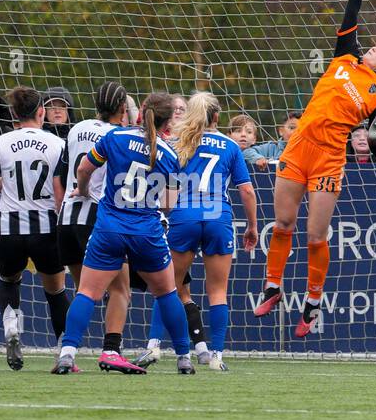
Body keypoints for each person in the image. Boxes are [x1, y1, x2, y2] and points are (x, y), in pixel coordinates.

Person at [254, 0, 376, 338]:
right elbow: (350, 13)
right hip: (297, 148)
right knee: (283, 224)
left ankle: (311, 302)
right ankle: (273, 286)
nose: (375, 47)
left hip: (328, 159)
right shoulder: (345, 56)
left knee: (314, 235)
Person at [53, 93, 196, 375]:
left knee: (87, 292)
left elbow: (84, 168)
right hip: (147, 232)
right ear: (168, 123)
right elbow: (169, 203)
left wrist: (82, 190)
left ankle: (67, 354)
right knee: (167, 292)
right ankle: (184, 358)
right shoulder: (169, 155)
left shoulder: (115, 137)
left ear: (141, 112)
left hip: (109, 227)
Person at [136, 92, 258, 371]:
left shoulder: (178, 142)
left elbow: (163, 189)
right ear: (217, 117)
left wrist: (171, 212)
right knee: (218, 291)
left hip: (184, 216)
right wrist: (252, 226)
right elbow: (247, 191)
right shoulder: (229, 145)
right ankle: (216, 357)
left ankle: (153, 347)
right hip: (218, 217)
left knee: (167, 287)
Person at [0, 87, 70, 371]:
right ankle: (63, 348)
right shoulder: (57, 143)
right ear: (41, 112)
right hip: (45, 226)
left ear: (14, 114)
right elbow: (59, 194)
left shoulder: (1, 142)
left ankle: (11, 327)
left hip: (9, 227)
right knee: (55, 291)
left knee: (9, 280)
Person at [55, 81, 138, 370]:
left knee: (84, 293)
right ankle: (111, 350)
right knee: (120, 290)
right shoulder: (118, 136)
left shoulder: (76, 129)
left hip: (67, 219)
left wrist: (62, 206)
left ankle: (67, 353)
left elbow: (60, 175)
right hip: (98, 218)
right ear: (121, 108)